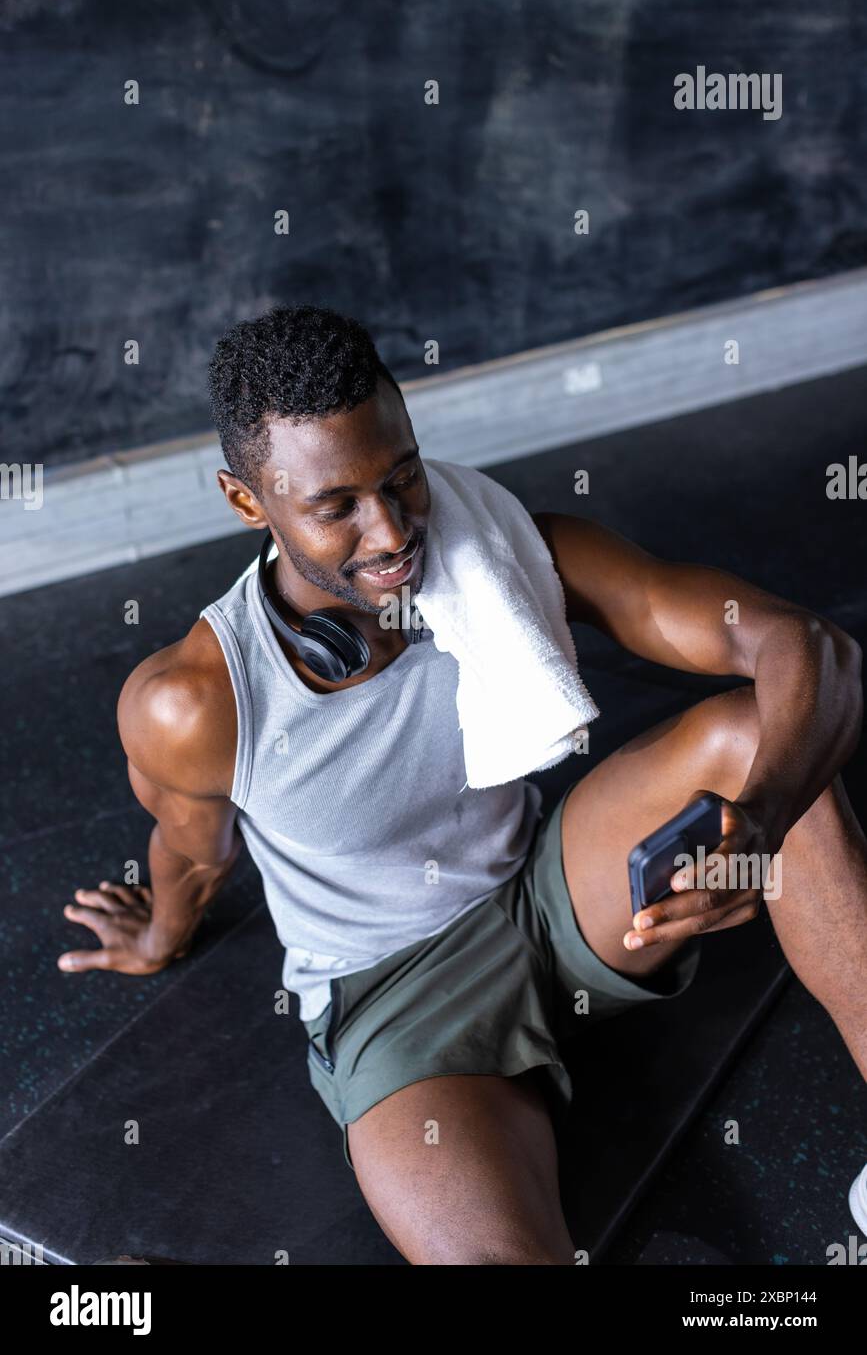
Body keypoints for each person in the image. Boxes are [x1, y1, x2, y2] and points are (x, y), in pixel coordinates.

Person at [59, 305, 867, 1265]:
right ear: (247, 503)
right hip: (396, 1002)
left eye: (401, 476)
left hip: (550, 891)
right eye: (336, 506)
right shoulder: (192, 703)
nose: (392, 529)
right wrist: (156, 934)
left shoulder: (509, 554)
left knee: (767, 737)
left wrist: (764, 820)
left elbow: (803, 645)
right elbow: (195, 854)